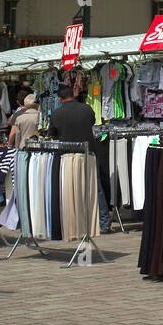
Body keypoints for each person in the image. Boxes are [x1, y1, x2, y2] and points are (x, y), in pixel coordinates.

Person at [49, 83, 111, 233]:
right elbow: (92, 122)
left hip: (68, 156)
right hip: (88, 152)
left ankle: (75, 222)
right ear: (73, 94)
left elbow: (53, 133)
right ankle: (104, 222)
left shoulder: (56, 113)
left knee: (71, 189)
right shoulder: (87, 109)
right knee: (95, 188)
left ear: (59, 98)